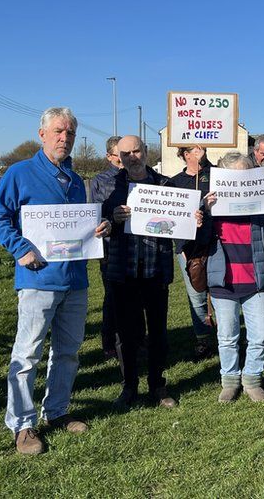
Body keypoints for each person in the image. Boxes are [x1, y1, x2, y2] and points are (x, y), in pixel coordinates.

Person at [0, 107, 111, 455]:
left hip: (75, 280)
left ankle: (56, 411)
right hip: (39, 278)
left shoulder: (74, 179)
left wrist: (100, 229)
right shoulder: (20, 173)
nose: (64, 138)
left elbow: (81, 225)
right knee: (27, 355)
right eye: (58, 131)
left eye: (70, 132)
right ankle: (22, 425)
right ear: (42, 134)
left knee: (68, 353)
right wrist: (19, 247)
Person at [103, 135, 180, 410]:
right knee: (126, 333)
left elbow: (178, 221)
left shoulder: (164, 184)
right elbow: (98, 221)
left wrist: (190, 220)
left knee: (158, 331)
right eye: (126, 153)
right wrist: (111, 217)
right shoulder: (109, 185)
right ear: (117, 157)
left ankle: (158, 385)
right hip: (122, 270)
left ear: (146, 151)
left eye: (137, 151)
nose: (132, 157)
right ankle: (130, 386)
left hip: (155, 268)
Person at [200, 152, 264, 402]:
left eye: (246, 174)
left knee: (259, 335)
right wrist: (206, 211)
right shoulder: (212, 206)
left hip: (255, 280)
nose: (241, 180)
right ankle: (230, 380)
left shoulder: (259, 205)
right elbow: (199, 238)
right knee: (227, 336)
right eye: (235, 175)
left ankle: (253, 380)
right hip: (223, 282)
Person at [170, 144, 217, 359]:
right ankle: (203, 340)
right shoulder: (175, 183)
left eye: (203, 148)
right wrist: (181, 249)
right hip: (188, 248)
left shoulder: (216, 175)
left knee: (219, 293)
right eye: (196, 149)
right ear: (186, 155)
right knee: (196, 295)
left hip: (216, 243)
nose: (202, 151)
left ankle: (224, 336)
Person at [89, 136, 123, 359]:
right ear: (109, 156)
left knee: (136, 297)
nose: (126, 158)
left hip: (137, 245)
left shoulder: (140, 176)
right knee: (113, 296)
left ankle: (135, 338)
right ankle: (109, 340)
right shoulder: (99, 180)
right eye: (120, 155)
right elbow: (93, 214)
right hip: (111, 247)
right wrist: (112, 218)